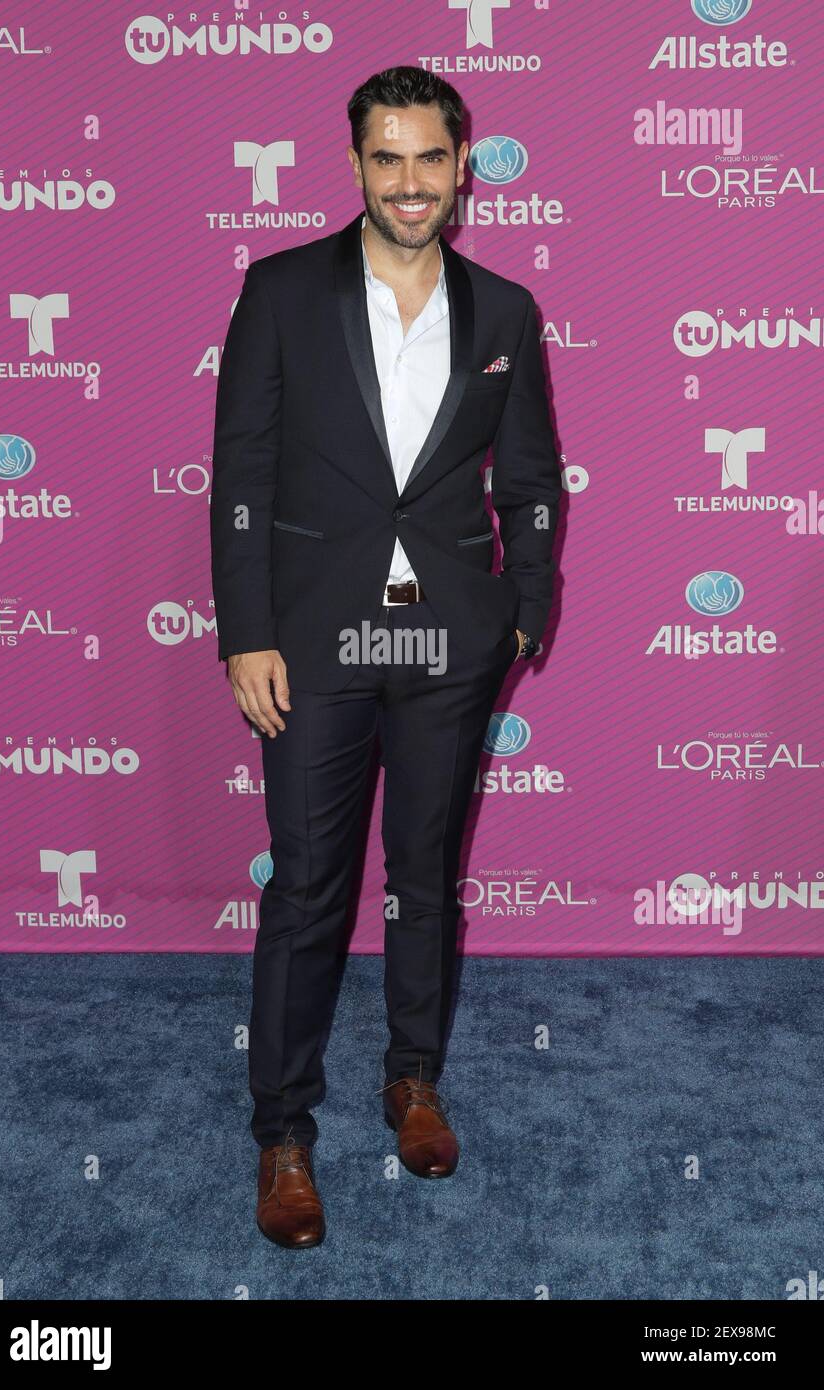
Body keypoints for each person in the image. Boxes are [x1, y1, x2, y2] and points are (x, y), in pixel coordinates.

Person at [210, 65, 561, 1248]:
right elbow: (242, 477)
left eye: (429, 159)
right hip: (312, 639)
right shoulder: (280, 292)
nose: (408, 182)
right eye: (385, 157)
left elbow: (528, 480)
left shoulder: (505, 310)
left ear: (464, 167)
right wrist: (246, 629)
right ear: (355, 163)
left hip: (449, 639)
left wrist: (524, 607)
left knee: (422, 871)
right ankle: (283, 1130)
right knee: (307, 885)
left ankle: (412, 1076)